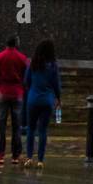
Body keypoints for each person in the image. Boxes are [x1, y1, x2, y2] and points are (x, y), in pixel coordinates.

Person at [0, 35, 28, 166]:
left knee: (1, 125)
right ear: (16, 44)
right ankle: (16, 155)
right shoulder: (22, 58)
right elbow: (26, 77)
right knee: (17, 126)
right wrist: (22, 88)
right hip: (17, 93)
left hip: (3, 91)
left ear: (6, 44)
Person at [23, 38, 62, 171]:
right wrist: (58, 97)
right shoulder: (53, 66)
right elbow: (56, 85)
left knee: (31, 129)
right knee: (43, 130)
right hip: (47, 101)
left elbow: (26, 81)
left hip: (33, 99)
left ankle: (28, 157)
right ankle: (40, 160)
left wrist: (32, 89)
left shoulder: (32, 64)